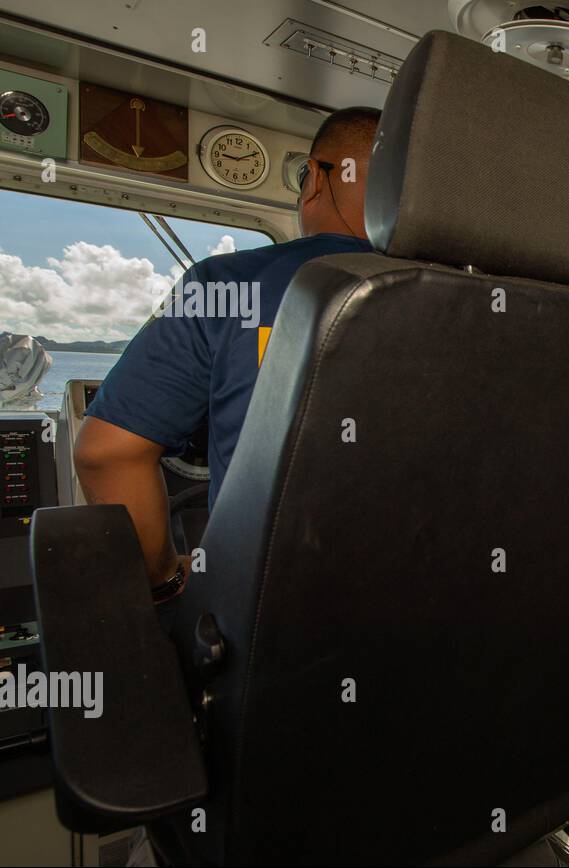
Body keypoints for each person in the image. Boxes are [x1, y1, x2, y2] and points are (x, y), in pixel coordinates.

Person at [74, 106, 380, 605]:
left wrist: (168, 578)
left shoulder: (225, 286)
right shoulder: (478, 294)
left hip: (268, 622)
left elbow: (107, 454)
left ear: (315, 181)